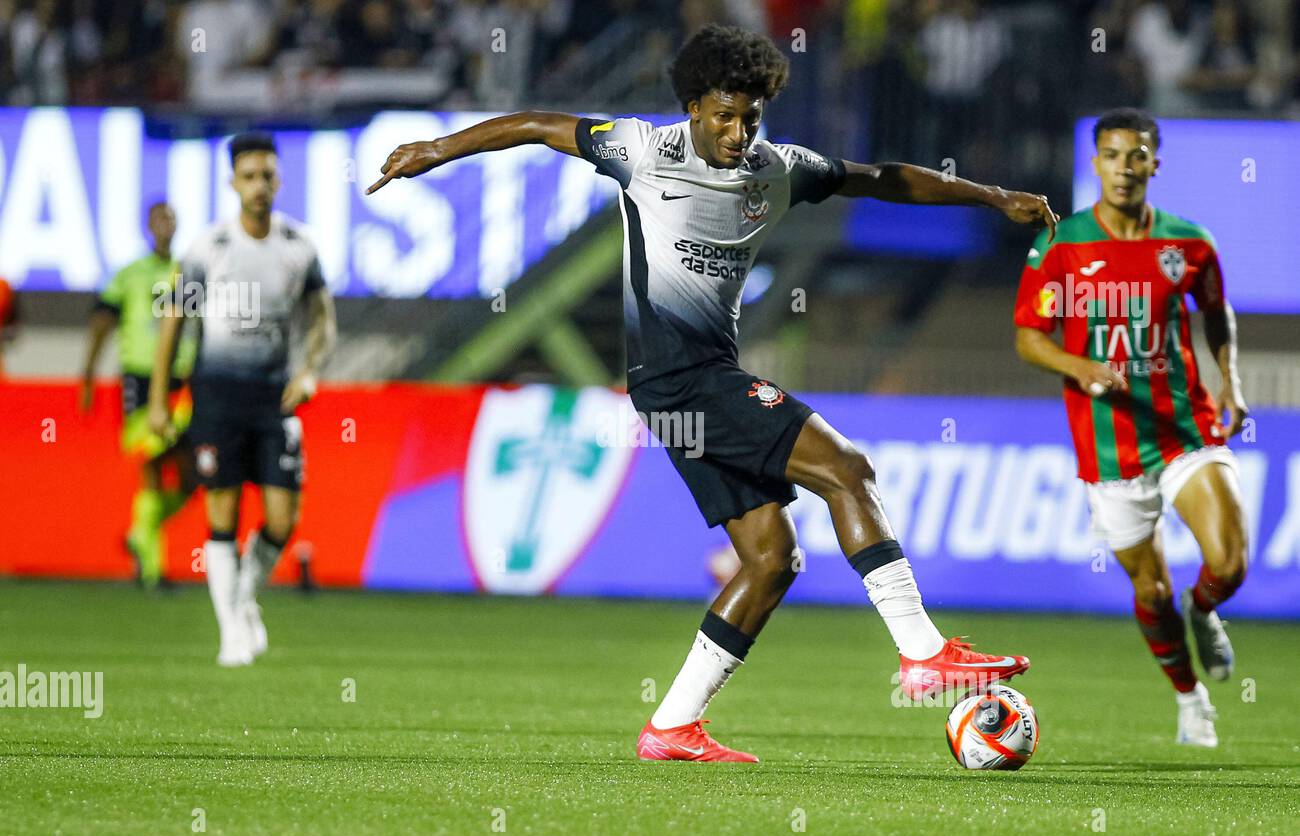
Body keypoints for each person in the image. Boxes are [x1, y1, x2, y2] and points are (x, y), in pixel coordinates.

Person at [369, 24, 1058, 762]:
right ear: (693, 106)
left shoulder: (779, 168)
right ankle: (924, 655)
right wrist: (437, 150)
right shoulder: (638, 149)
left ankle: (671, 726)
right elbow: (538, 124)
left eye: (750, 117)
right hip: (683, 381)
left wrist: (990, 196)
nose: (737, 132)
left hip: (688, 385)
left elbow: (882, 177)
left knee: (769, 559)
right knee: (848, 469)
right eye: (723, 115)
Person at [1013, 107, 1247, 747]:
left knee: (1228, 562)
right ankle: (1189, 696)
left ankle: (1207, 611)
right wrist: (1078, 363)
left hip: (1184, 427)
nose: (1123, 167)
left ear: (1154, 163)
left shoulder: (1190, 244)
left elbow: (1217, 315)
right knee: (1151, 587)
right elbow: (1030, 337)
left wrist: (1231, 381)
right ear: (1095, 163)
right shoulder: (1061, 245)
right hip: (1108, 444)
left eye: (1136, 155)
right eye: (1112, 155)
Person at [149, 132, 336, 667]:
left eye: (266, 175)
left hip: (275, 397)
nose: (258, 185)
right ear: (233, 182)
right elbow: (172, 321)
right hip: (217, 395)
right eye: (248, 176)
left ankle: (243, 596)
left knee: (282, 519)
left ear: (278, 181)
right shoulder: (207, 249)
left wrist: (309, 371)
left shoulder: (299, 246)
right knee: (222, 512)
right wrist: (161, 398)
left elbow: (322, 319)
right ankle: (231, 629)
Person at [81, 201, 197, 588]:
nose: (166, 224)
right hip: (142, 380)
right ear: (149, 225)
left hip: (179, 382)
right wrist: (87, 375)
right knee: (150, 467)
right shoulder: (129, 275)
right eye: (159, 218)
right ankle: (152, 569)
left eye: (171, 218)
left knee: (189, 477)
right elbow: (102, 322)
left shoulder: (186, 274)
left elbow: (197, 328)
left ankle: (139, 534)